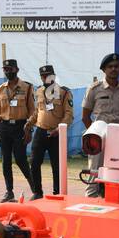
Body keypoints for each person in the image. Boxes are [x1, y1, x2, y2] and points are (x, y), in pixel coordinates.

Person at [81, 52, 119, 197]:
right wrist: (95, 136)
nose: (114, 69)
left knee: (115, 176)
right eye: (110, 67)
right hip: (98, 139)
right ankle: (90, 205)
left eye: (116, 66)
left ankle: (112, 204)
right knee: (94, 174)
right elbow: (85, 117)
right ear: (104, 70)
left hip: (118, 141)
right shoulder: (94, 89)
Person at [0, 58, 36, 202]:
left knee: (21, 159)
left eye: (10, 69)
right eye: (5, 70)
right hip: (4, 127)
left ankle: (35, 188)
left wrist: (29, 129)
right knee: (6, 161)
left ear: (16, 70)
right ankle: (9, 191)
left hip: (20, 127)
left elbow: (32, 110)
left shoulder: (27, 87)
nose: (7, 72)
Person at [28, 64, 73, 197]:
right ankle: (37, 192)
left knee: (57, 166)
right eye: (43, 76)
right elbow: (37, 111)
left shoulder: (64, 92)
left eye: (48, 75)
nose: (46, 78)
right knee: (34, 162)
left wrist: (59, 129)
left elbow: (69, 114)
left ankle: (57, 193)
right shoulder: (39, 91)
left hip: (57, 134)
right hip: (40, 131)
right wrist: (29, 123)